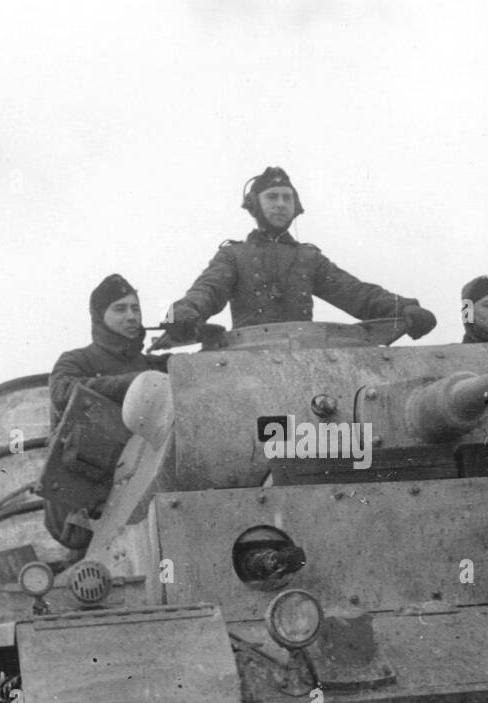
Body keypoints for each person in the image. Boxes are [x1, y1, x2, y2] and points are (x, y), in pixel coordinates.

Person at [158, 166, 437, 344]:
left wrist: (403, 307)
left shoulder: (308, 258)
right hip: (247, 359)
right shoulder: (233, 256)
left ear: (296, 206)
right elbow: (206, 290)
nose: (280, 204)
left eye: (287, 197)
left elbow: (355, 292)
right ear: (254, 204)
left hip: (305, 358)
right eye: (272, 197)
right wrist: (180, 314)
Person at [43, 274, 168, 549]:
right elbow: (62, 392)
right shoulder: (77, 361)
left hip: (150, 492)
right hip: (91, 510)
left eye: (135, 308)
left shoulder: (154, 364)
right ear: (100, 316)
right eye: (120, 309)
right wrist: (134, 383)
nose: (131, 316)